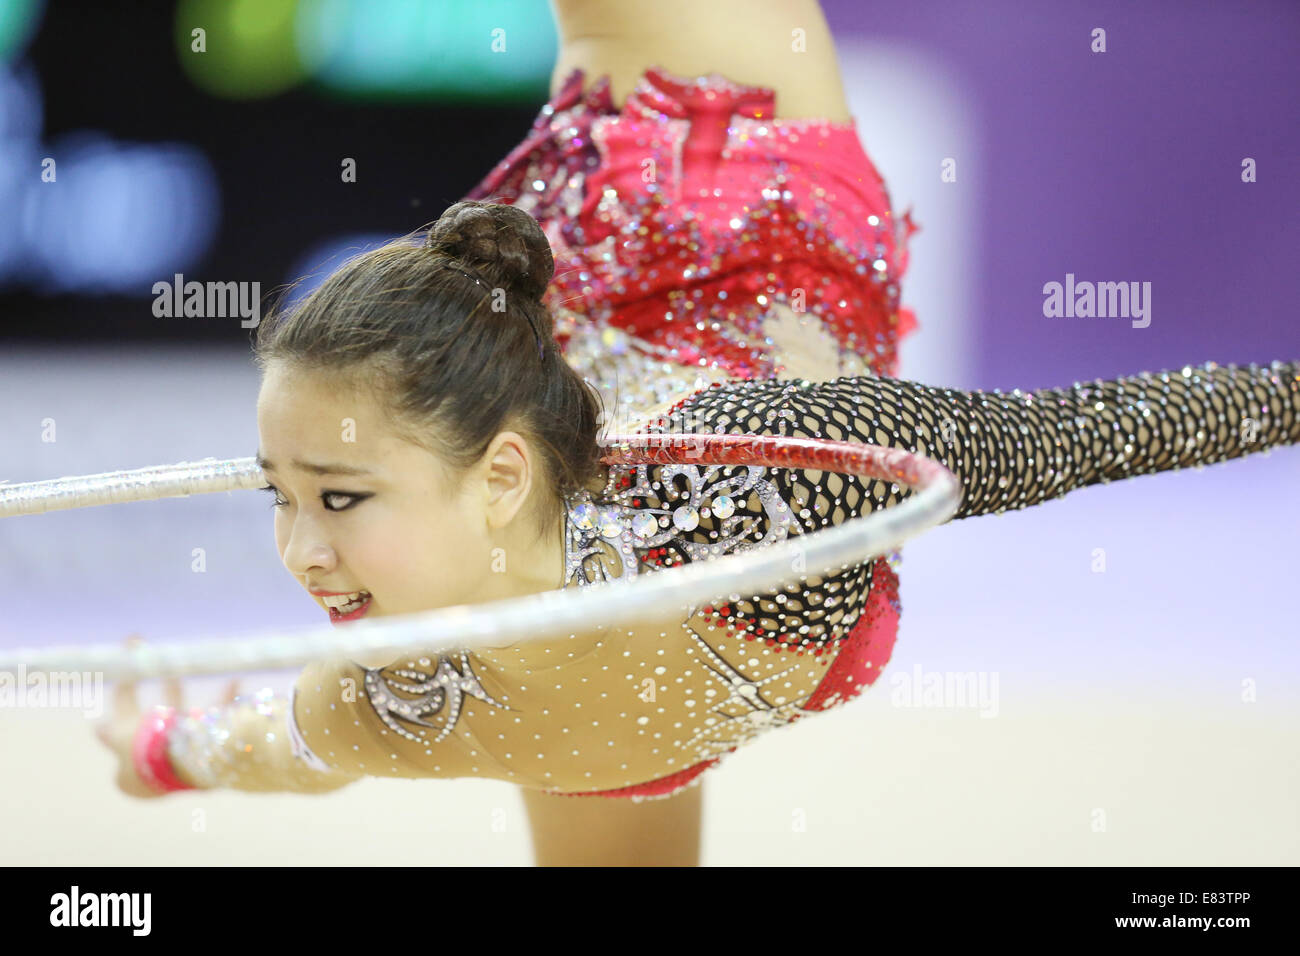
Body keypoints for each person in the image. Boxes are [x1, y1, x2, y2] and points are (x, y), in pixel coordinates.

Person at [97, 201, 1299, 869]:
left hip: (736, 245)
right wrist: (158, 745)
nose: (299, 554)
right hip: (562, 376)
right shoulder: (400, 697)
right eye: (278, 496)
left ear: (503, 474)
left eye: (339, 498)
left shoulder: (762, 491)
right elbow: (253, 745)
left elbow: (1086, 429)